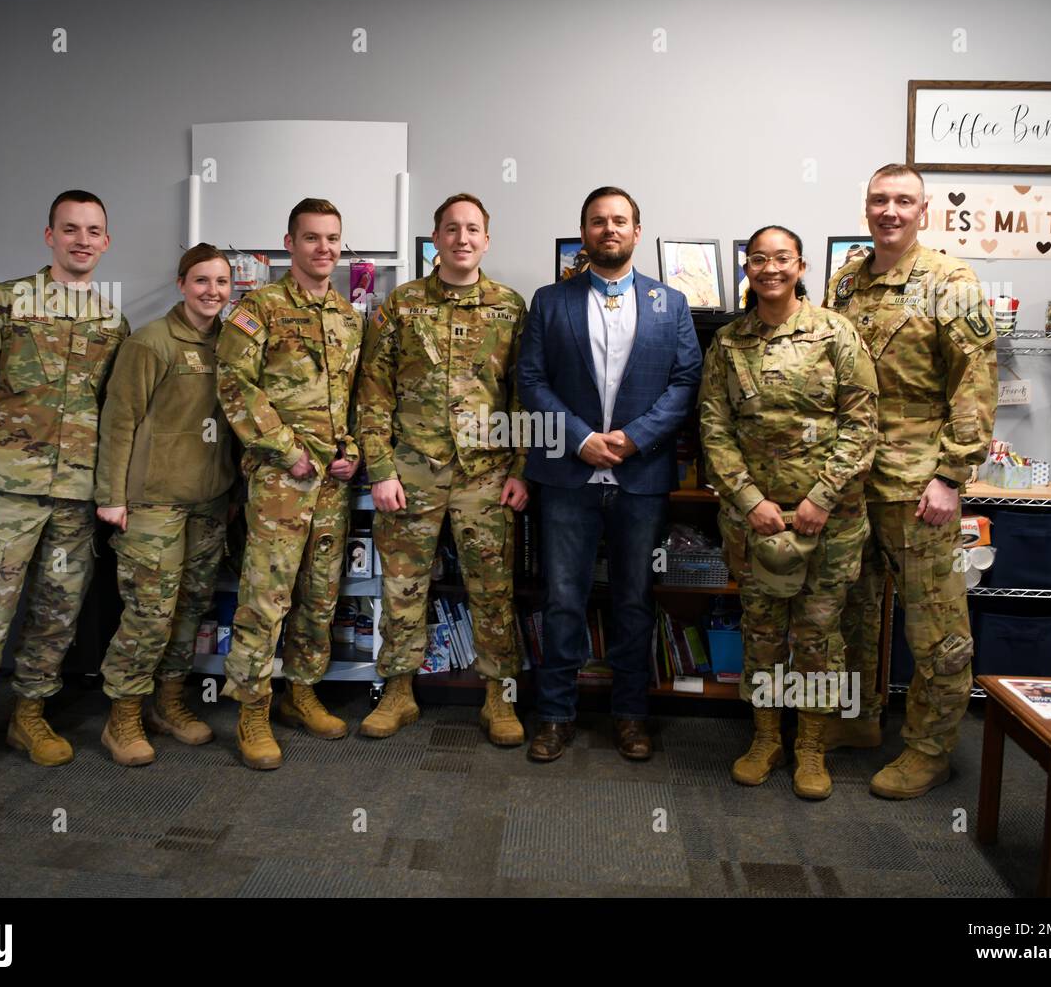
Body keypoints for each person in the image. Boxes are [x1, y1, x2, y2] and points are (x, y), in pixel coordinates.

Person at [0, 190, 130, 804]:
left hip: (75, 496)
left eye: (94, 230)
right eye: (70, 229)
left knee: (56, 614)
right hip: (6, 490)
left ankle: (28, 715)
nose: (82, 240)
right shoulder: (2, 301)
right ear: (49, 236)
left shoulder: (110, 320)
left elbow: (118, 415)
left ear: (106, 241)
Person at [828, 163, 997, 799]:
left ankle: (930, 750)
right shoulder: (845, 282)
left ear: (923, 211)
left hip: (919, 481)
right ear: (865, 208)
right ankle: (858, 719)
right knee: (852, 612)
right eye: (879, 200)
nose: (890, 210)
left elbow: (975, 377)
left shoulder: (949, 279)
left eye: (904, 200)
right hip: (852, 480)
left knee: (936, 626)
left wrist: (952, 473)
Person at [518, 186, 702, 763]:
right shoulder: (550, 301)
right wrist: (582, 439)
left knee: (633, 599)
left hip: (639, 479)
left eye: (619, 221)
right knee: (563, 598)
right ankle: (553, 716)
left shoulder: (670, 303)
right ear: (584, 233)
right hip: (567, 479)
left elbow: (685, 383)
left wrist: (633, 437)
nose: (609, 230)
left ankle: (630, 716)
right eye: (598, 222)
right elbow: (531, 380)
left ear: (637, 232)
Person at [699, 225, 878, 799]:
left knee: (820, 637)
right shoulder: (727, 343)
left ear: (801, 267)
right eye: (758, 259)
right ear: (746, 268)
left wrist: (820, 499)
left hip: (830, 521)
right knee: (763, 634)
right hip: (754, 522)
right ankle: (767, 737)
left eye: (782, 259)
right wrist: (750, 502)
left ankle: (811, 746)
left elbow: (861, 424)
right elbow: (714, 428)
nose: (770, 268)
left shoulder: (836, 333)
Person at [355, 193, 529, 744]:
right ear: (436, 238)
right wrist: (379, 469)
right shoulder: (400, 305)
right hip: (412, 471)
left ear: (486, 239)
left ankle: (499, 699)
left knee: (493, 589)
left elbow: (523, 393)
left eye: (472, 229)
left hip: (486, 475)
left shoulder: (509, 307)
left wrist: (523, 468)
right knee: (403, 586)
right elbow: (373, 391)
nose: (462, 238)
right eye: (451, 229)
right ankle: (399, 693)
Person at [214, 198, 363, 769]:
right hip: (281, 479)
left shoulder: (349, 318)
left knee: (320, 596)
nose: (323, 249)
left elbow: (346, 399)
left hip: (331, 483)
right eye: (311, 238)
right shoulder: (261, 308)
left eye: (332, 239)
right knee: (265, 596)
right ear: (289, 243)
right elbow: (233, 384)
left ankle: (301, 693)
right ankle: (252, 708)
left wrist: (348, 450)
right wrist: (287, 450)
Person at [93, 243, 237, 765]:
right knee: (149, 614)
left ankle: (168, 704)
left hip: (210, 502)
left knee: (189, 610)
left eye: (221, 282)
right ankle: (123, 717)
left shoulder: (234, 344)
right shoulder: (151, 342)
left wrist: (234, 495)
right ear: (182, 284)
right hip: (152, 505)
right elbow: (118, 420)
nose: (212, 292)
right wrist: (111, 497)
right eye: (201, 281)